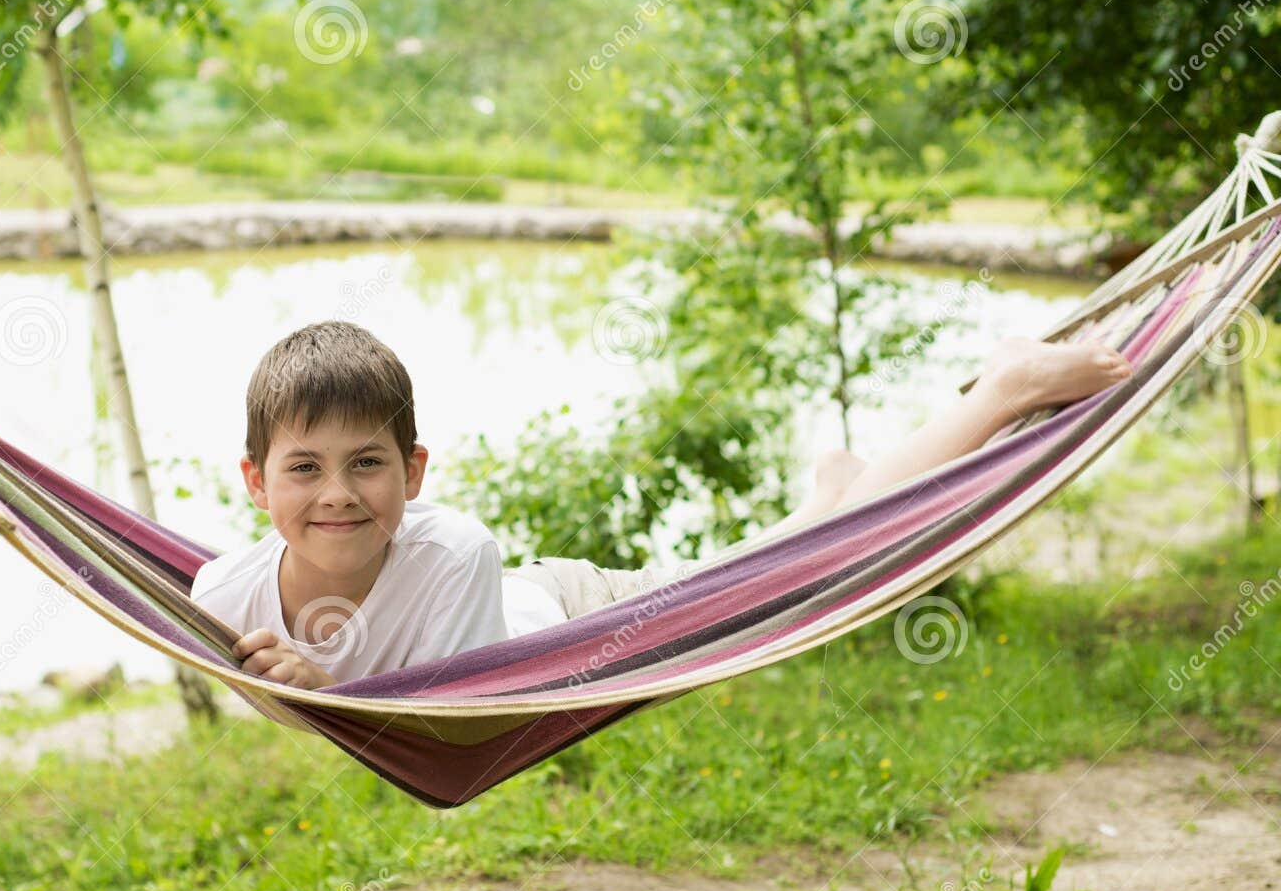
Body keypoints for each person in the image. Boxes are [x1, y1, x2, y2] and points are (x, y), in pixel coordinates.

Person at [191, 321, 1131, 689]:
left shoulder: (455, 553)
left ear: (415, 472)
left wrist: (327, 689)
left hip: (572, 619)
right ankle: (829, 494)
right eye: (303, 469)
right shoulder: (220, 596)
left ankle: (1001, 390)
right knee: (800, 549)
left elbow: (456, 709)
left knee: (816, 568)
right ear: (254, 482)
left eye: (367, 464)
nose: (339, 494)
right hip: (539, 630)